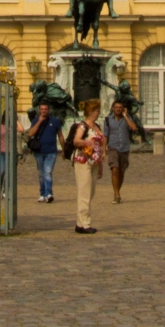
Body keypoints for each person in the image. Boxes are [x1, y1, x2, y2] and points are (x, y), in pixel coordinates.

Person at [63, 97, 106, 234]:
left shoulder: (97, 126)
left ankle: (80, 222)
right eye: (97, 110)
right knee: (84, 192)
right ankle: (84, 224)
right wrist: (87, 143)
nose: (99, 112)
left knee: (90, 192)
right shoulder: (83, 126)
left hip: (93, 162)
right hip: (82, 161)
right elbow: (76, 141)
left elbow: (100, 146)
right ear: (91, 111)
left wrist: (100, 166)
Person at [103, 98, 144, 203]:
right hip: (113, 147)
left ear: (123, 109)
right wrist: (104, 150)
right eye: (116, 107)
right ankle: (116, 194)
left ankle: (117, 191)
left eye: (120, 108)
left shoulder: (127, 118)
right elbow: (105, 136)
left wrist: (125, 116)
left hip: (124, 148)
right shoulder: (108, 120)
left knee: (121, 171)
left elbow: (134, 128)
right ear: (113, 108)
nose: (118, 109)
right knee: (114, 169)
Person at [24, 101, 62, 203]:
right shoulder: (35, 120)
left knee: (48, 172)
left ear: (48, 110)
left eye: (45, 109)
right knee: (41, 173)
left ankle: (49, 193)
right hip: (39, 151)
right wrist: (39, 121)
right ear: (39, 110)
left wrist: (64, 150)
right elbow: (30, 134)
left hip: (51, 151)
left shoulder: (55, 121)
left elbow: (60, 136)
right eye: (42, 109)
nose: (44, 111)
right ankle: (43, 193)